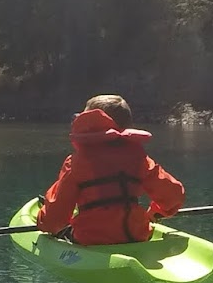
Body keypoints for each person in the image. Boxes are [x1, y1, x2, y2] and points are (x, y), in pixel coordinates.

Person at [36, 94, 186, 245]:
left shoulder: (76, 163)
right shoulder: (140, 159)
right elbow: (173, 196)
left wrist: (43, 221)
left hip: (91, 240)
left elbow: (54, 219)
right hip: (137, 237)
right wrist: (155, 213)